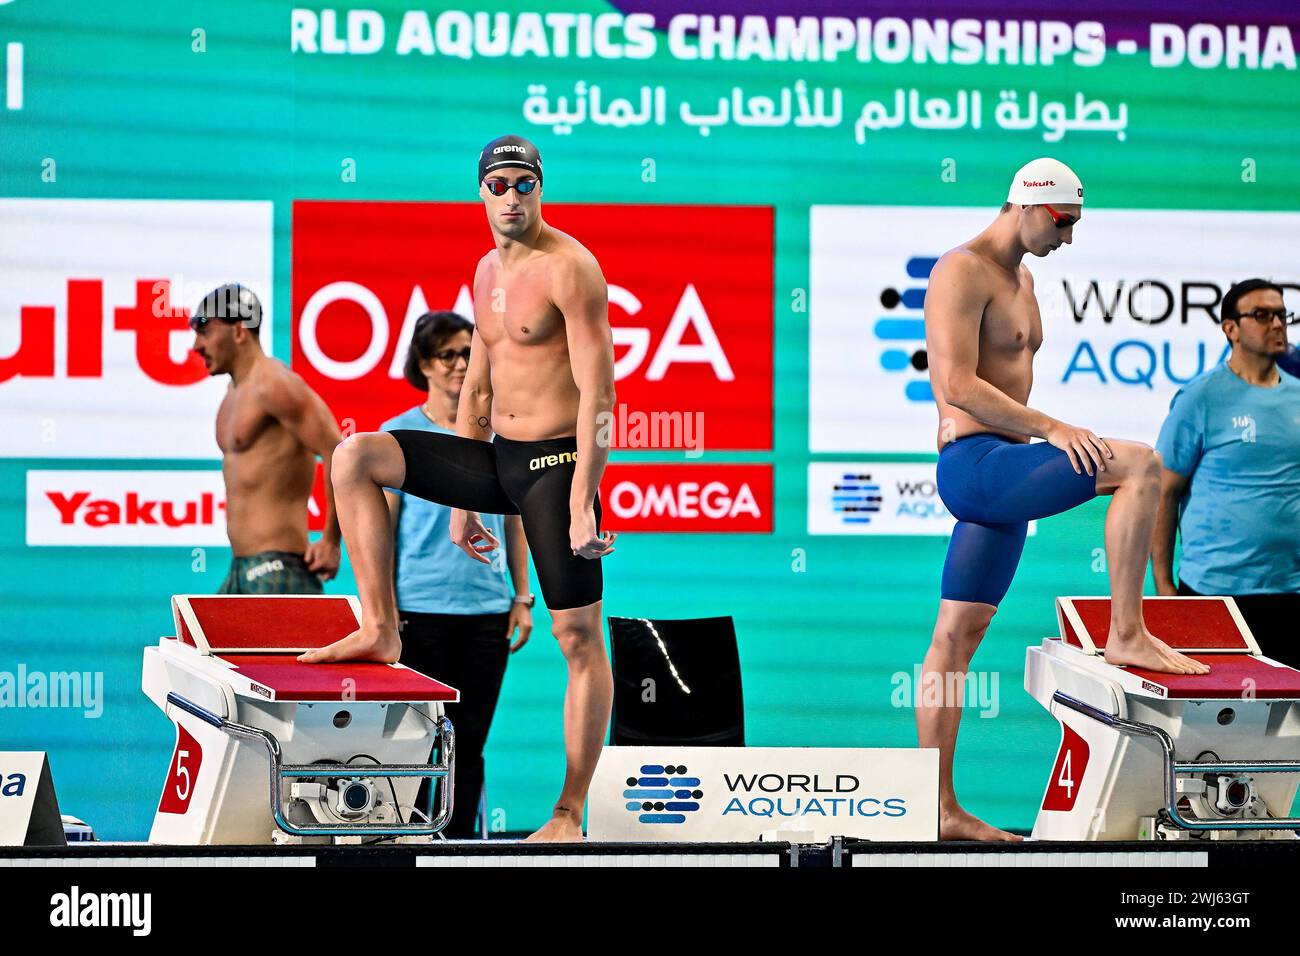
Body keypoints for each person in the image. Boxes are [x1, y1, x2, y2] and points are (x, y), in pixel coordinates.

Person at [300, 135, 618, 843]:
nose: (511, 197)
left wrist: (580, 499)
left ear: (541, 189)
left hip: (558, 466)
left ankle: (568, 811)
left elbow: (601, 390)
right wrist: (461, 498)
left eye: (523, 184)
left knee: (577, 636)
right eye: (498, 184)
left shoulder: (573, 269)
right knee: (353, 457)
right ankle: (383, 627)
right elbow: (476, 387)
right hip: (497, 460)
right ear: (481, 192)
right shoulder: (484, 271)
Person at [917, 158, 1209, 842]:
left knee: (955, 637)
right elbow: (957, 384)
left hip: (1007, 469)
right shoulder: (960, 270)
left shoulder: (1023, 279)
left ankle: (941, 808)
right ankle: (1127, 633)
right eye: (1064, 221)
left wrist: (1037, 436)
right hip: (976, 463)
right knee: (1138, 466)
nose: (1069, 238)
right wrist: (1052, 427)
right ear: (1028, 203)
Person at [382, 310, 534, 837]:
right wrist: (384, 608)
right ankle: (407, 844)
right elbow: (382, 530)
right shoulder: (399, 434)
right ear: (424, 364)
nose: (463, 365)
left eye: (470, 354)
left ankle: (460, 850)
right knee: (413, 743)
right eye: (449, 354)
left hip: (486, 612)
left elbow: (515, 519)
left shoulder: (501, 434)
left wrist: (523, 596)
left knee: (468, 742)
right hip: (417, 613)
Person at [1152, 279, 1300, 665]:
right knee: (1215, 720)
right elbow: (1163, 493)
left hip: (1291, 592)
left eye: (1282, 315)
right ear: (1230, 329)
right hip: (1214, 595)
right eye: (1262, 315)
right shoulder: (1200, 398)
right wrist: (1165, 589)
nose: (1277, 324)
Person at [190, 284, 342, 593]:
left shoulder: (274, 384)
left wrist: (330, 540)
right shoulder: (233, 392)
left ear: (238, 330)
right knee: (196, 638)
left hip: (279, 566)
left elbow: (337, 451)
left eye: (205, 330)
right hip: (240, 568)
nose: (196, 345)